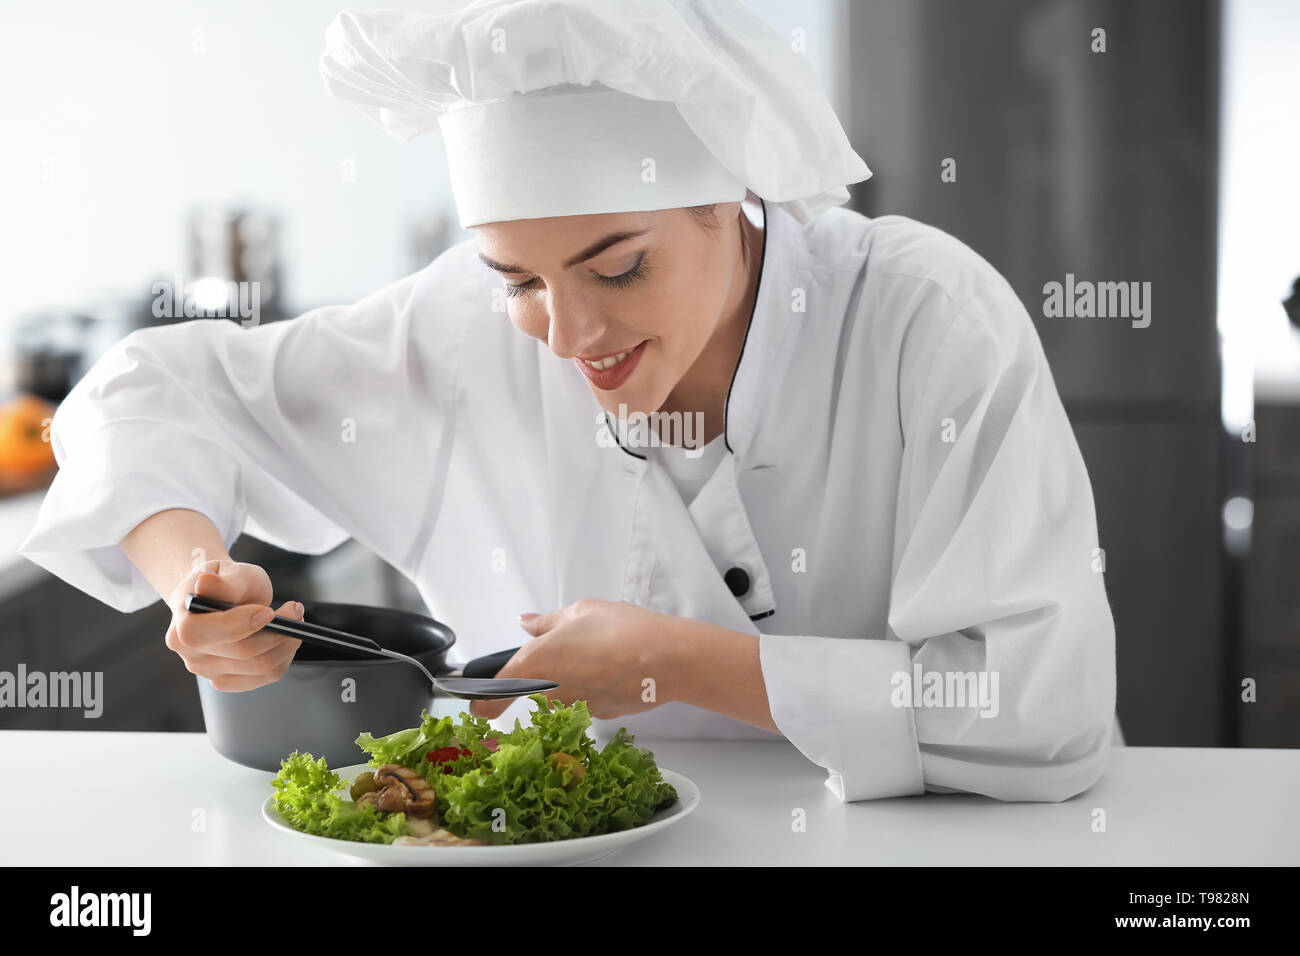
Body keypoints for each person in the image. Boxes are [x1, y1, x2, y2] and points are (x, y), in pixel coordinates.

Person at [19, 0, 1117, 802]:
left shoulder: (925, 320)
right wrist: (196, 581)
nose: (573, 331)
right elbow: (153, 391)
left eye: (618, 266)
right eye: (519, 282)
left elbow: (1038, 706)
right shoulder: (451, 330)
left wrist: (681, 662)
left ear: (724, 201)